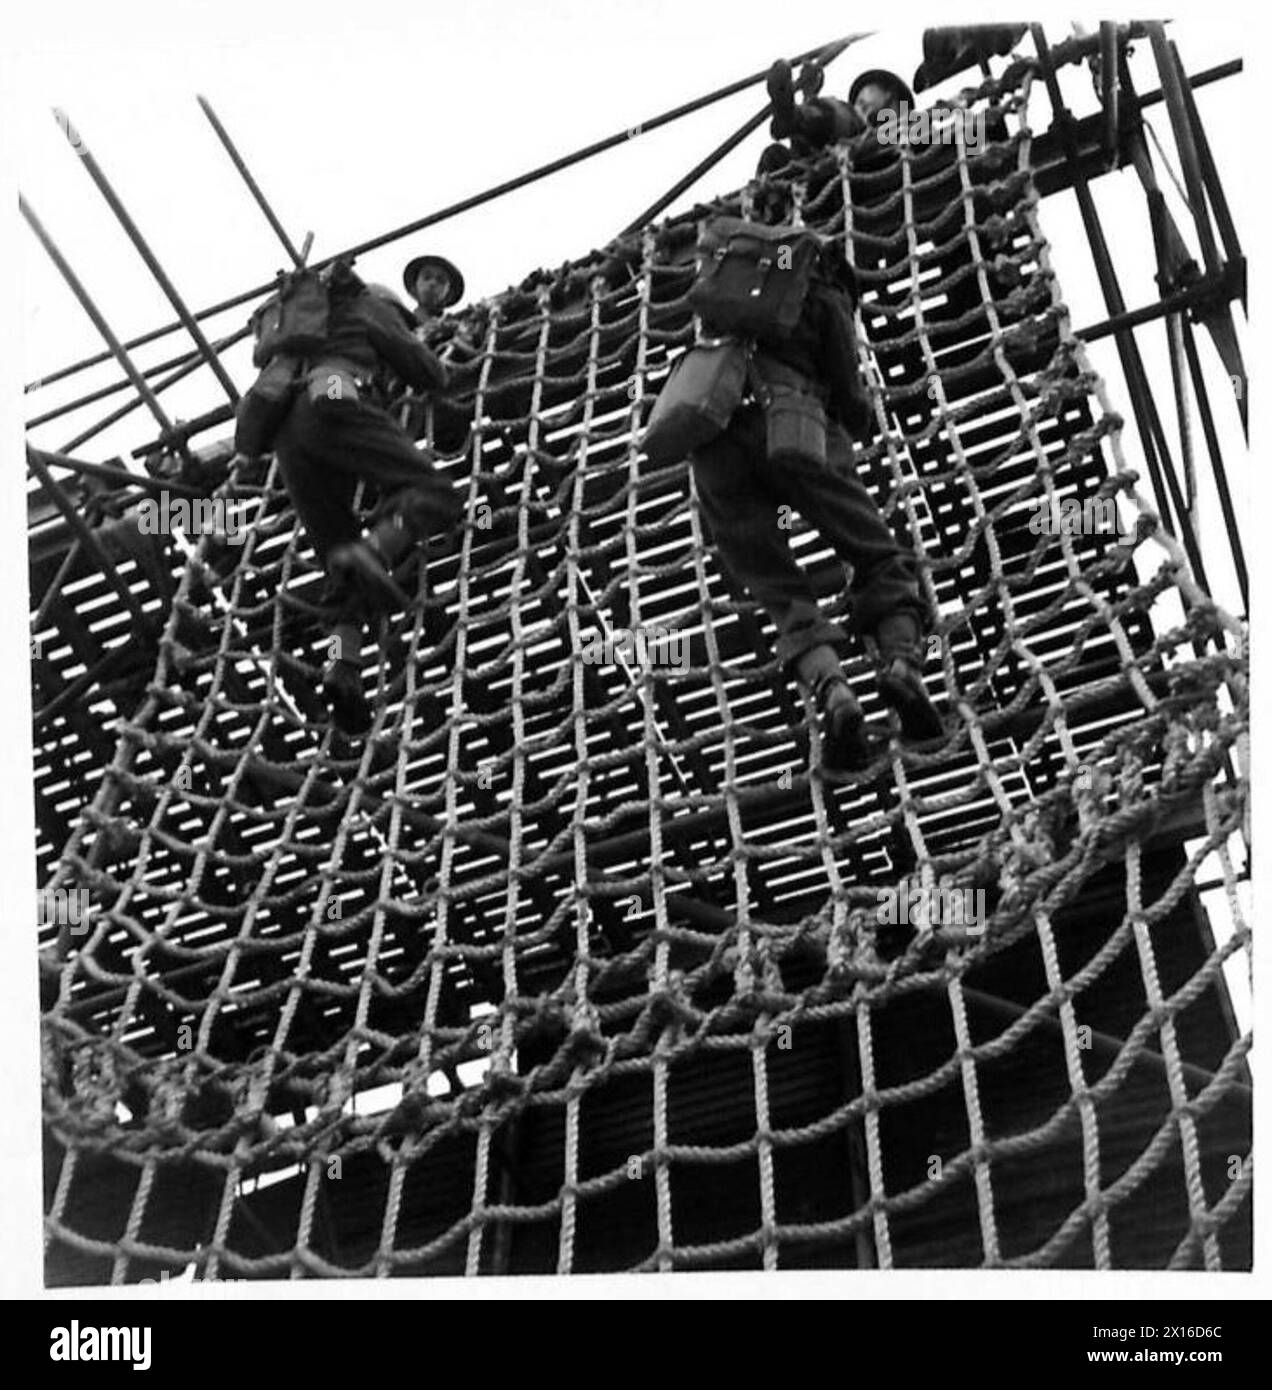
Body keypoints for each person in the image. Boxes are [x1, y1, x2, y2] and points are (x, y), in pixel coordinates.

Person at [688, 192, 941, 776]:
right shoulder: (821, 288)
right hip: (798, 433)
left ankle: (834, 691)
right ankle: (902, 666)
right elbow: (849, 396)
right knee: (877, 556)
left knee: (781, 590)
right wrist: (861, 415)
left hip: (718, 454)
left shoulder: (729, 290)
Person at [270, 260, 459, 735]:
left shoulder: (308, 338)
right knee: (433, 492)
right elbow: (425, 371)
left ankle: (342, 668)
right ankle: (373, 552)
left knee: (339, 569)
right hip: (335, 397)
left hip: (288, 442)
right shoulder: (373, 307)